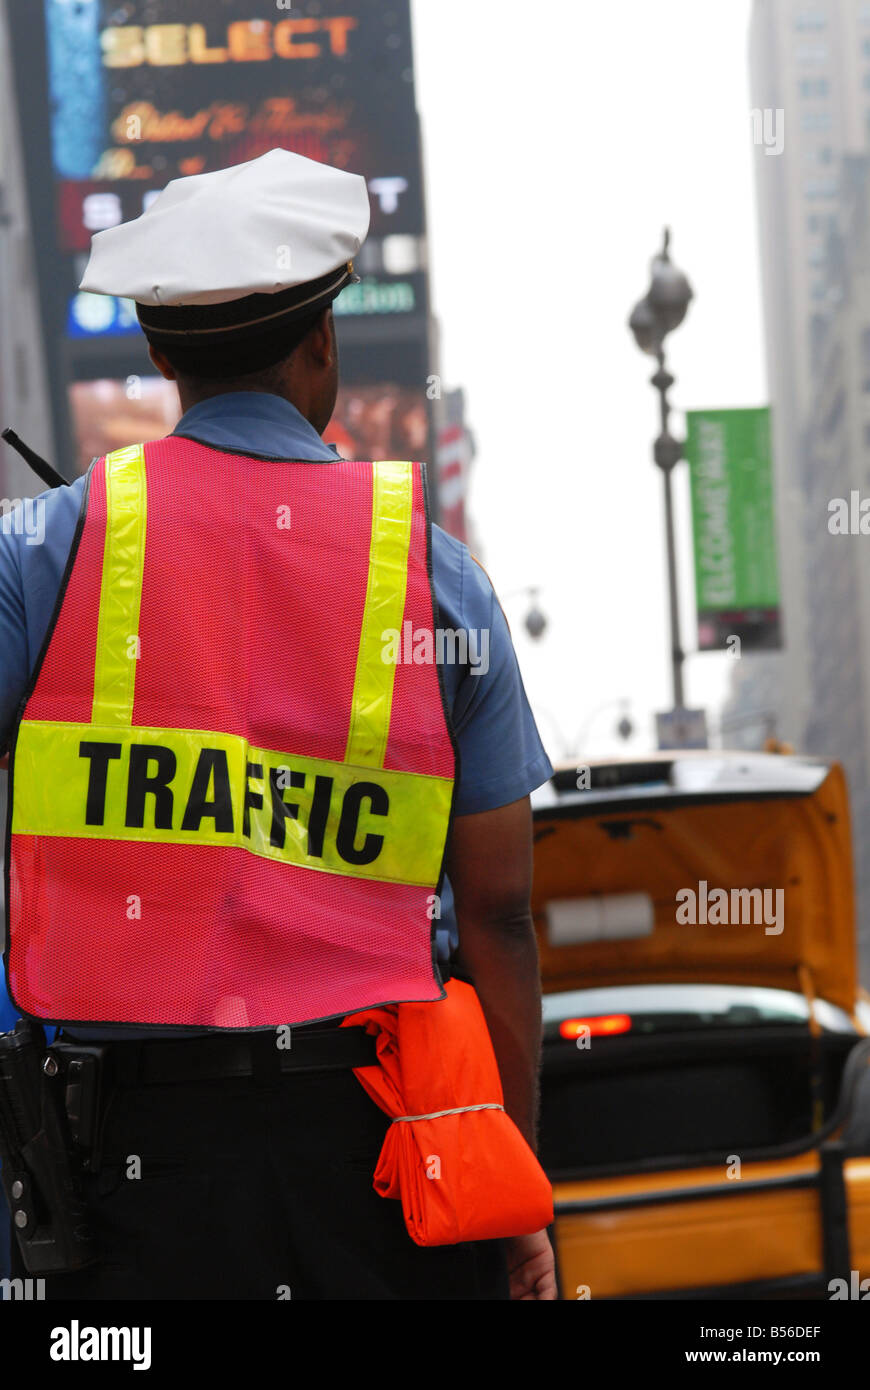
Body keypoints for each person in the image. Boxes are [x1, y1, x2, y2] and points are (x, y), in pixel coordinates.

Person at [0, 148, 556, 1300]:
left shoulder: (45, 553)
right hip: (390, 1164)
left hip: (131, 1193)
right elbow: (499, 914)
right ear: (325, 346)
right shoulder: (437, 579)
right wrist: (511, 1193)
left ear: (158, 354)